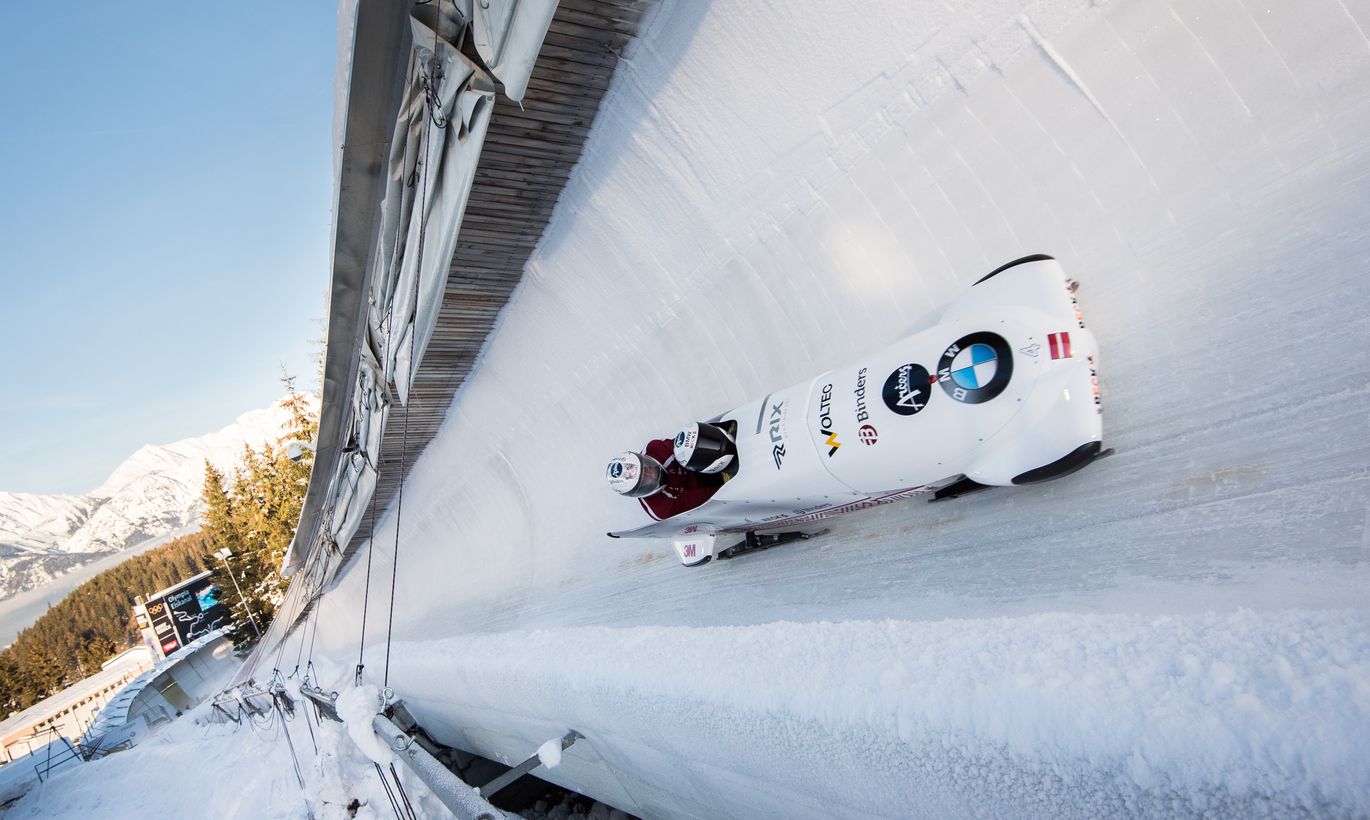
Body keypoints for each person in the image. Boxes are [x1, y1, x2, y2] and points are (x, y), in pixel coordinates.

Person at [607, 422, 737, 520]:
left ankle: (729, 442)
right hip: (713, 489)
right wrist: (733, 487)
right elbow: (703, 500)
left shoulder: (655, 448)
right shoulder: (661, 509)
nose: (651, 475)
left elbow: (691, 445)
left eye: (646, 468)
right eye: (645, 480)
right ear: (639, 492)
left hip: (708, 464)